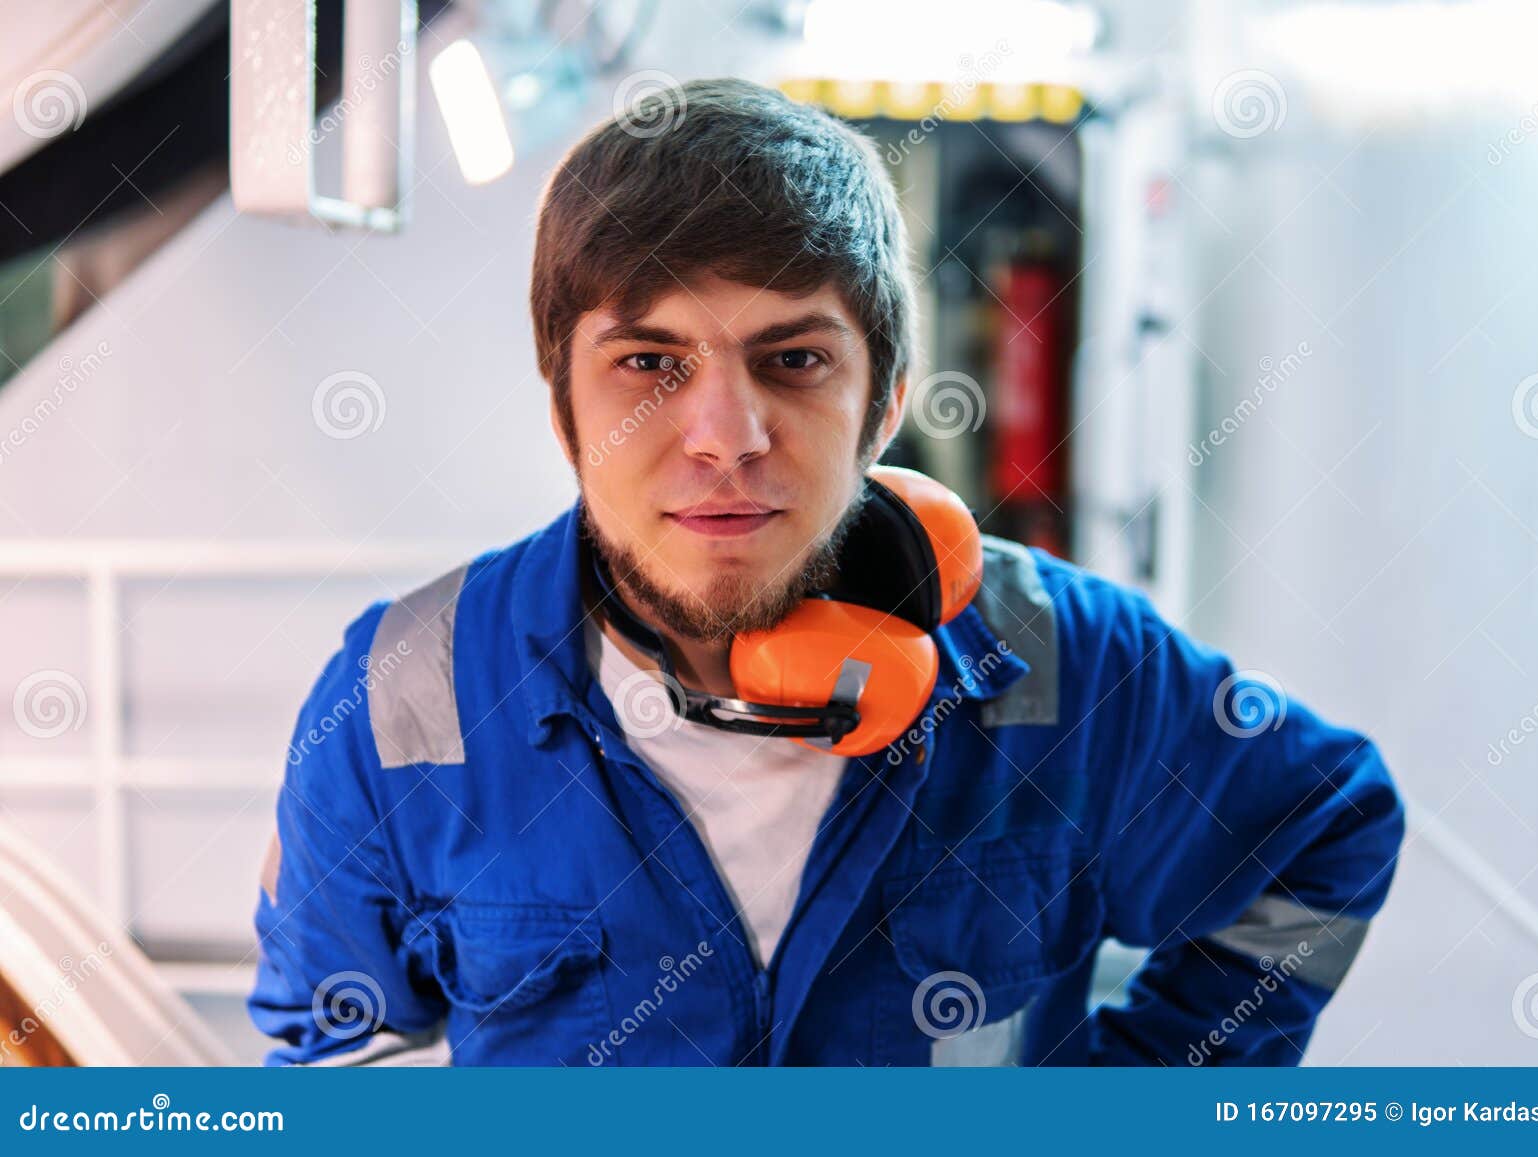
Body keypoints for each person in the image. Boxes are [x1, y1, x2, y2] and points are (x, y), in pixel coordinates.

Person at [248, 78, 1404, 1066]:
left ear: (883, 402)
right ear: (563, 409)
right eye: (648, 361)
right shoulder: (403, 690)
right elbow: (334, 1047)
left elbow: (1326, 828)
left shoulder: (1064, 657)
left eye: (793, 358)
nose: (726, 435)